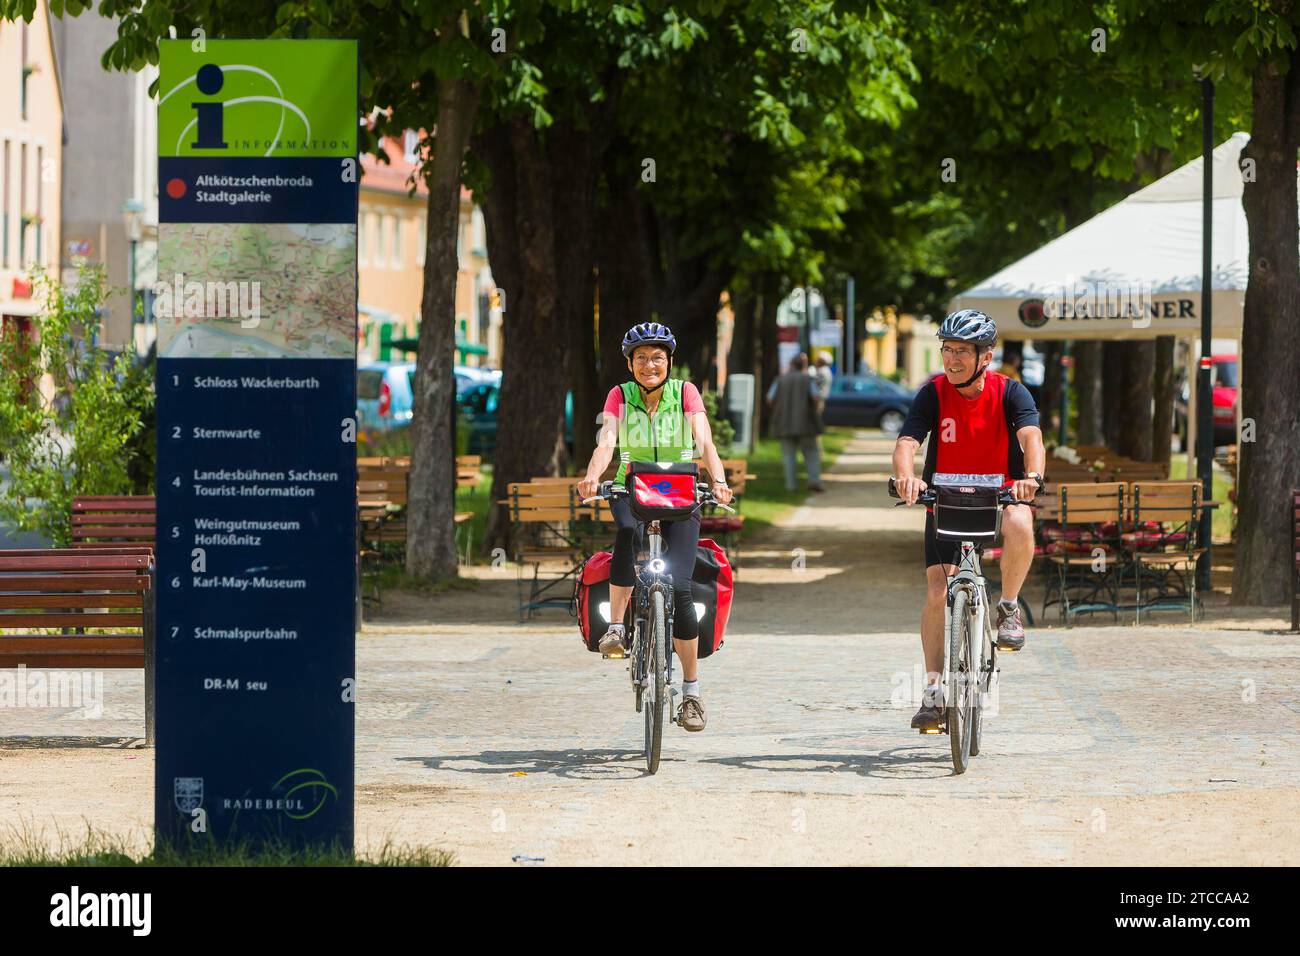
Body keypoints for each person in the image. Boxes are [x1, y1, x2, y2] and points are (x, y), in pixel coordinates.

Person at [891, 309, 1045, 733]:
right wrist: (907, 476)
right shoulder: (933, 393)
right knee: (938, 591)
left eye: (962, 350)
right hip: (945, 499)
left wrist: (1031, 478)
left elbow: (1031, 437)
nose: (952, 359)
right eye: (947, 349)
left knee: (1020, 522)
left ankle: (1009, 608)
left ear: (985, 356)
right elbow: (907, 439)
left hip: (999, 494)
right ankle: (935, 693)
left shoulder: (1012, 393)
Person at [577, 322, 733, 733]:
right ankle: (615, 628)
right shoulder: (620, 395)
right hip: (633, 487)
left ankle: (692, 692)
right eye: (642, 357)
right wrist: (594, 476)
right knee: (627, 533)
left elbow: (704, 440)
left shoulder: (686, 392)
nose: (650, 364)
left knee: (680, 588)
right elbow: (606, 442)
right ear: (630, 363)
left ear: (669, 362)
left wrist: (717, 481)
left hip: (681, 491)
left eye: (658, 357)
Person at [766, 352, 824, 492]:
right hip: (806, 423)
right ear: (804, 366)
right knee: (811, 453)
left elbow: (769, 398)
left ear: (791, 365)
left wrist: (780, 409)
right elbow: (816, 397)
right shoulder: (808, 379)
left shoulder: (780, 379)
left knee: (788, 456)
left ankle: (790, 486)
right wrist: (815, 410)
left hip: (784, 422)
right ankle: (813, 481)